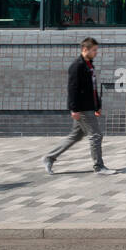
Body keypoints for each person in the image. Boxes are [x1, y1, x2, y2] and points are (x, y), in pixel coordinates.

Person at [43, 37, 117, 175]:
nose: (96, 53)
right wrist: (73, 109)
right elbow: (72, 89)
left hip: (89, 106)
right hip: (82, 108)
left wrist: (98, 105)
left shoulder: (89, 65)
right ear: (85, 49)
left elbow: (92, 88)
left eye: (96, 50)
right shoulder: (77, 66)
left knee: (75, 136)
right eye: (94, 50)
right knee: (96, 135)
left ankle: (49, 157)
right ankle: (99, 167)